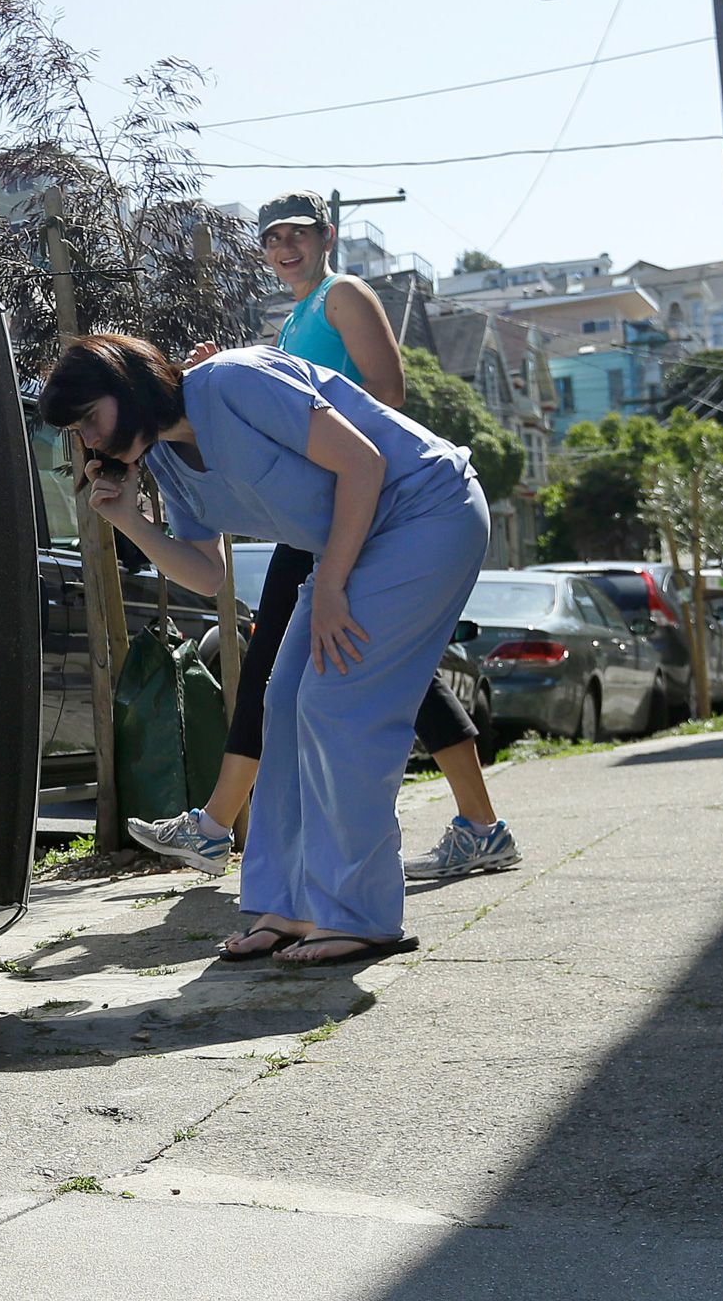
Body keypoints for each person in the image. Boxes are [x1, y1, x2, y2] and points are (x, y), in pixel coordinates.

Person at [43, 332, 487, 965]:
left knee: (337, 705)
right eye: (78, 432)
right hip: (351, 544)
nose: (91, 441)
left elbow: (364, 463)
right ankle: (289, 907)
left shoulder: (234, 381)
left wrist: (330, 585)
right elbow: (206, 575)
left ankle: (360, 915)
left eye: (91, 419)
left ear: (128, 384)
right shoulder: (166, 461)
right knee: (282, 707)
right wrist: (129, 520)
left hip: (427, 510)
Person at [127, 191, 520, 886]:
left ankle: (227, 830)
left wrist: (273, 394)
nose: (286, 247)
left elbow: (385, 394)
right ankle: (476, 824)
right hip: (317, 514)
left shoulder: (343, 296)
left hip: (365, 501)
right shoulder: (293, 320)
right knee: (343, 667)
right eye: (273, 237)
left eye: (298, 234)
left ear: (327, 236)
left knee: (289, 670)